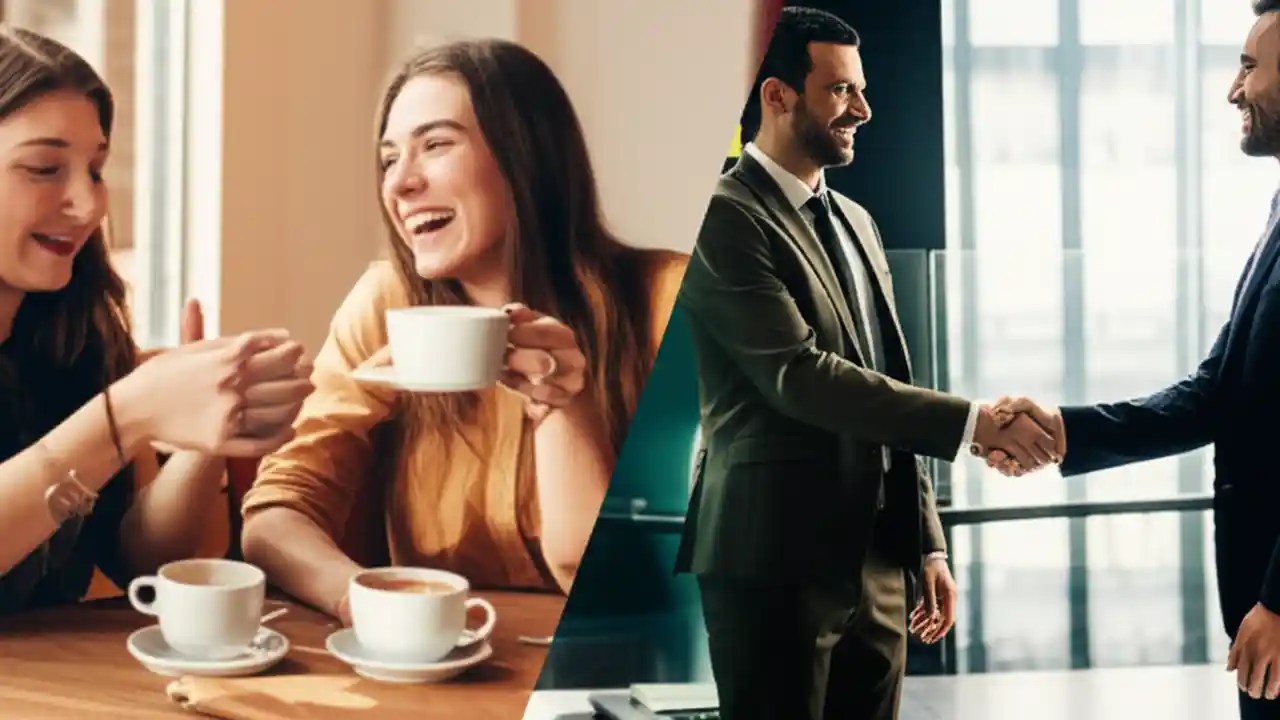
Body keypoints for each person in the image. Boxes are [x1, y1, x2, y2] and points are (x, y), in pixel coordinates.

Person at [671, 7, 1065, 720]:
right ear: (778, 95)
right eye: (841, 90)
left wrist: (928, 545)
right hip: (773, 561)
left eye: (861, 89)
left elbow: (887, 380)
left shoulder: (858, 221)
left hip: (881, 561)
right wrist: (976, 422)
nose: (864, 109)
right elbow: (799, 374)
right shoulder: (719, 215)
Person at [240, 39, 689, 623]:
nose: (400, 184)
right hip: (441, 669)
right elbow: (276, 517)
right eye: (388, 158)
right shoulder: (386, 306)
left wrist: (564, 405)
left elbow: (606, 581)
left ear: (525, 155)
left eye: (435, 145)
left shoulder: (670, 302)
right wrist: (368, 604)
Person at [981, 4, 1280, 717]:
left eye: (1248, 66)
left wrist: (1279, 597)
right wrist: (1062, 430)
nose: (1232, 91)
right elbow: (1216, 392)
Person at [0, 26, 313, 615]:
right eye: (44, 168)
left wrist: (205, 443)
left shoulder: (81, 331)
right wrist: (127, 414)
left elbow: (145, 563)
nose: (89, 204)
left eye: (95, 169)